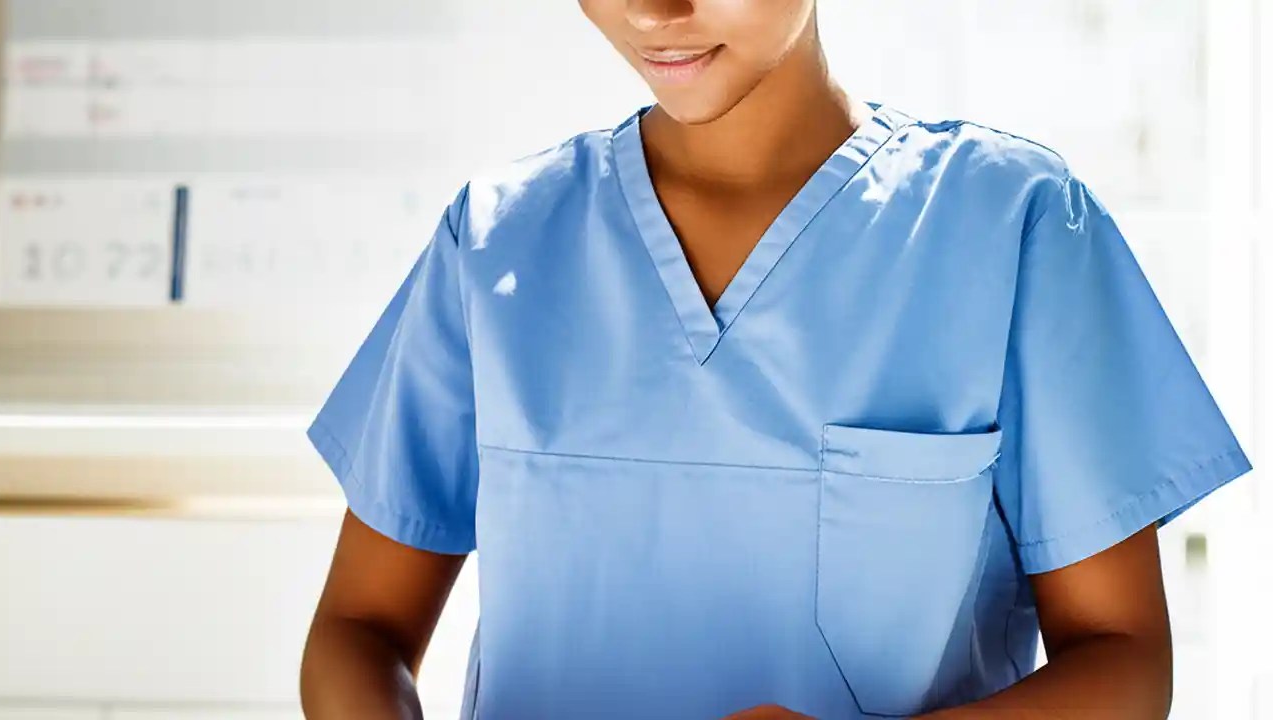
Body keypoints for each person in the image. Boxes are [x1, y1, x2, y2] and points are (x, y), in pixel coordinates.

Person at [298, 1, 1255, 718]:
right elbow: (358, 631)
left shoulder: (1013, 224)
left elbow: (1125, 660)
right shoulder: (498, 240)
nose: (653, 9)